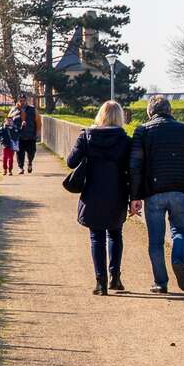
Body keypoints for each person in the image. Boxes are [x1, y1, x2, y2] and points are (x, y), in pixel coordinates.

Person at [128, 95, 184, 294]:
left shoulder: (142, 131)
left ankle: (160, 283)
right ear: (170, 111)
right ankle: (178, 260)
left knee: (155, 240)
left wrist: (134, 197)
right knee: (179, 231)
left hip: (153, 193)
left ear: (149, 112)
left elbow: (135, 166)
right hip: (180, 191)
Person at [66, 101, 132, 295]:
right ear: (119, 117)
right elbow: (132, 169)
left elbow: (71, 162)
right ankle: (115, 277)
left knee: (96, 237)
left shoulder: (86, 136)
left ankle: (100, 282)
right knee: (115, 234)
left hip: (93, 193)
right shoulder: (125, 141)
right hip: (117, 193)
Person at [12, 94, 41, 174]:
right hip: (19, 136)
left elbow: (38, 121)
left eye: (23, 100)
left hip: (31, 136)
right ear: (18, 101)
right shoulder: (14, 110)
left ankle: (30, 163)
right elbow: (9, 121)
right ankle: (21, 168)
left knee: (31, 152)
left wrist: (38, 132)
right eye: (20, 101)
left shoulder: (32, 109)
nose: (22, 102)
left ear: (26, 101)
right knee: (19, 153)